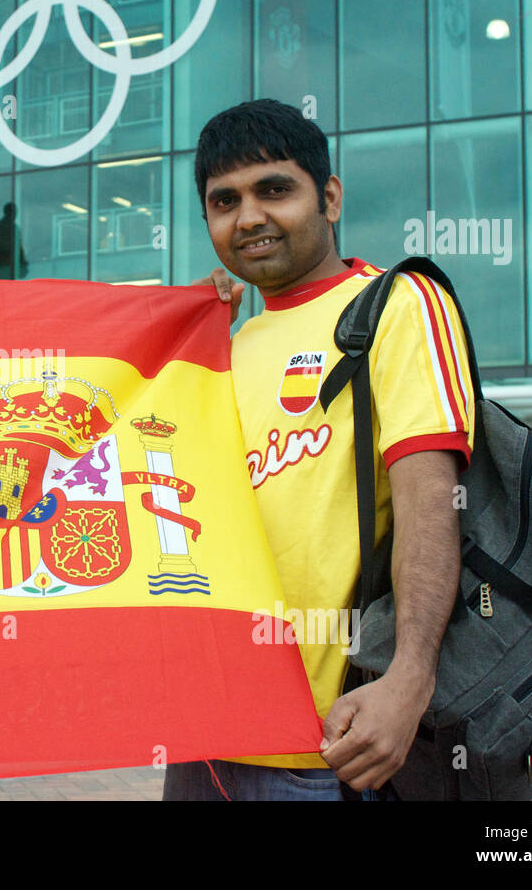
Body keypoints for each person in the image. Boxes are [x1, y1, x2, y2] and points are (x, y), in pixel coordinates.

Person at [166, 99, 475, 800]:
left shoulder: (400, 307)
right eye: (224, 201)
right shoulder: (222, 350)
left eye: (274, 189)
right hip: (203, 738)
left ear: (328, 197)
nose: (248, 218)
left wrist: (409, 678)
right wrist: (176, 332)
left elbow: (433, 503)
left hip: (332, 746)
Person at [0, 202, 26, 280]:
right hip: (6, 265)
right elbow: (17, 246)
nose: (15, 215)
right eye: (15, 212)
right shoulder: (14, 228)